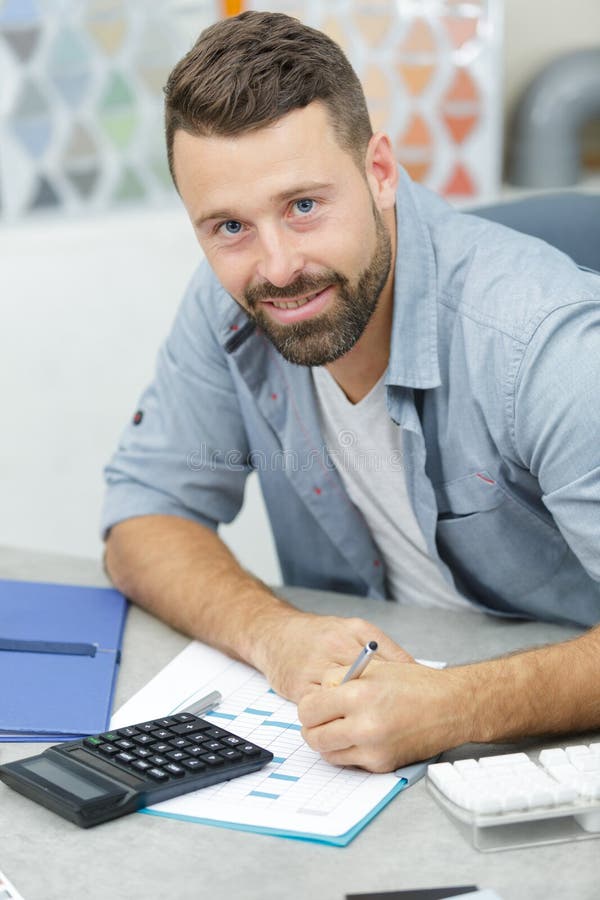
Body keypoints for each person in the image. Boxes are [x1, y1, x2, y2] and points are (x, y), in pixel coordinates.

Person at [102, 11, 600, 773]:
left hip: (549, 754)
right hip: (352, 757)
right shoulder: (226, 310)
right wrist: (273, 633)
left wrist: (461, 705)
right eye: (230, 226)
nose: (275, 267)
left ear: (379, 171)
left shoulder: (540, 344)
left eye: (304, 206)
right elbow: (145, 516)